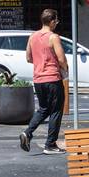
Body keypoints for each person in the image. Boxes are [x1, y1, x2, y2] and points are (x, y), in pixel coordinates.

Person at [20, 9, 68, 155]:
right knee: (56, 111)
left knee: (43, 109)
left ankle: (28, 132)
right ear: (52, 21)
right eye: (56, 21)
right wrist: (65, 69)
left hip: (38, 79)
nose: (57, 23)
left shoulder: (32, 36)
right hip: (52, 78)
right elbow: (61, 59)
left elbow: (28, 58)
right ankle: (50, 144)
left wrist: (40, 61)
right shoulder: (54, 37)